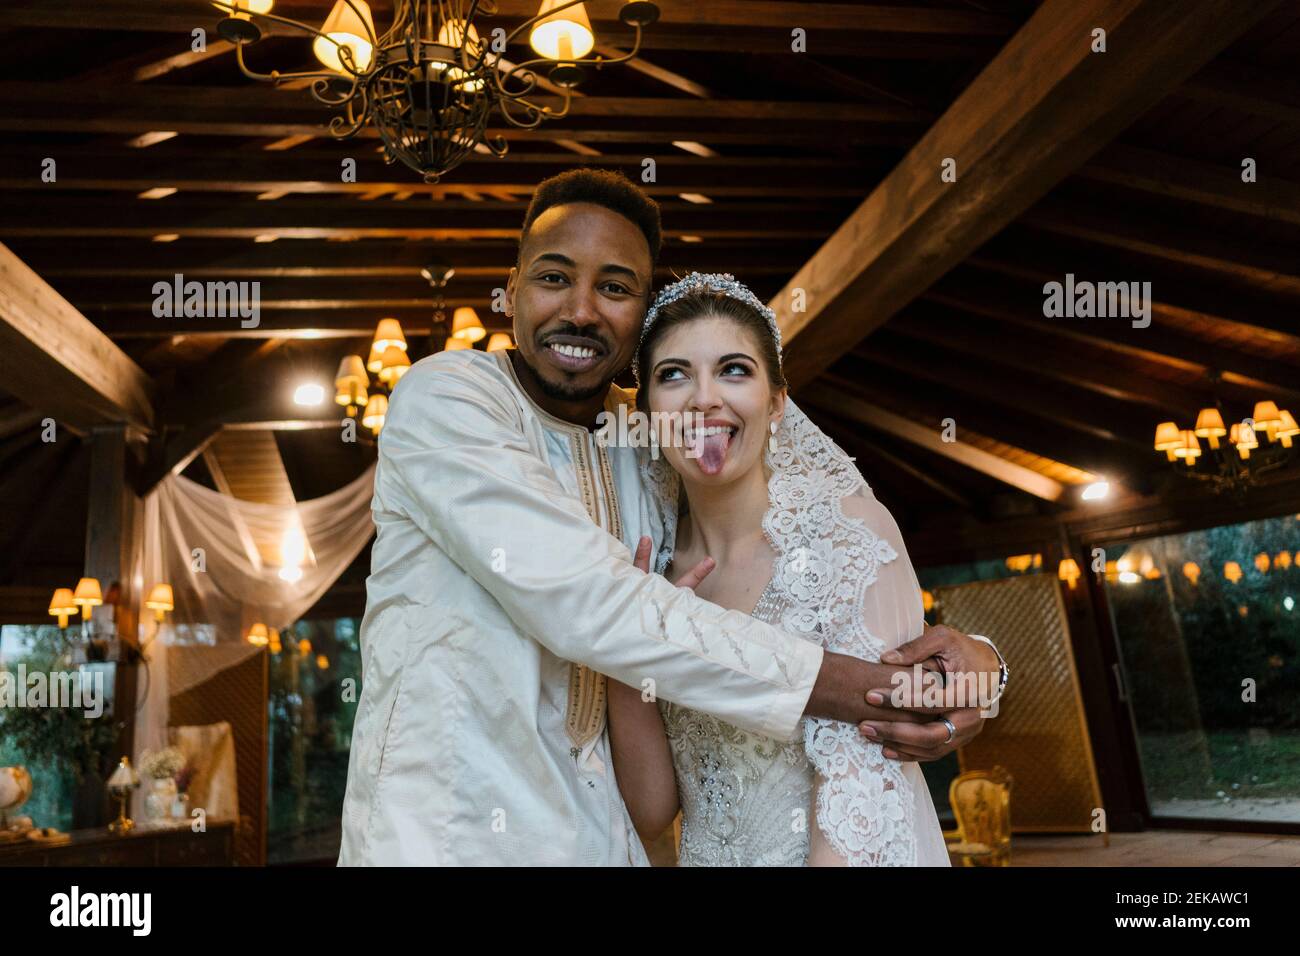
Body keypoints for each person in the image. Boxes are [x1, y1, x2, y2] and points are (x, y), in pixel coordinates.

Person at [338, 170, 1005, 865]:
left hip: (607, 845)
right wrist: (886, 691)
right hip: (447, 837)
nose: (582, 311)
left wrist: (985, 668)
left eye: (616, 288)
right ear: (510, 289)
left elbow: (814, 558)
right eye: (554, 278)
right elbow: (593, 604)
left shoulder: (648, 445)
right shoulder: (447, 399)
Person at [609, 273, 980, 865]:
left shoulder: (849, 534)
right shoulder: (650, 571)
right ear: (650, 413)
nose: (704, 398)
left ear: (777, 402)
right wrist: (633, 650)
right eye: (673, 374)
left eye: (733, 369)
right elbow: (653, 810)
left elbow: (867, 774)